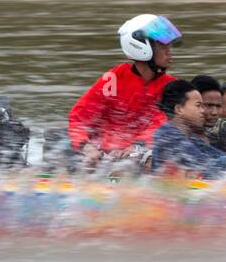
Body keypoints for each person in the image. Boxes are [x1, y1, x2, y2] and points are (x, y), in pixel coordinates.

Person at [68, 14, 180, 167]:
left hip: (141, 154)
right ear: (141, 47)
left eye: (170, 45)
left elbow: (161, 124)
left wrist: (138, 146)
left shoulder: (171, 86)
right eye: (163, 46)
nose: (169, 51)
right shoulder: (113, 79)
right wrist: (85, 147)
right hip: (102, 157)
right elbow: (79, 118)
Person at [150, 80, 226, 177]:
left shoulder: (191, 138)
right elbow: (208, 167)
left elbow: (218, 156)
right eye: (198, 105)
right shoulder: (168, 137)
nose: (203, 111)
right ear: (179, 109)